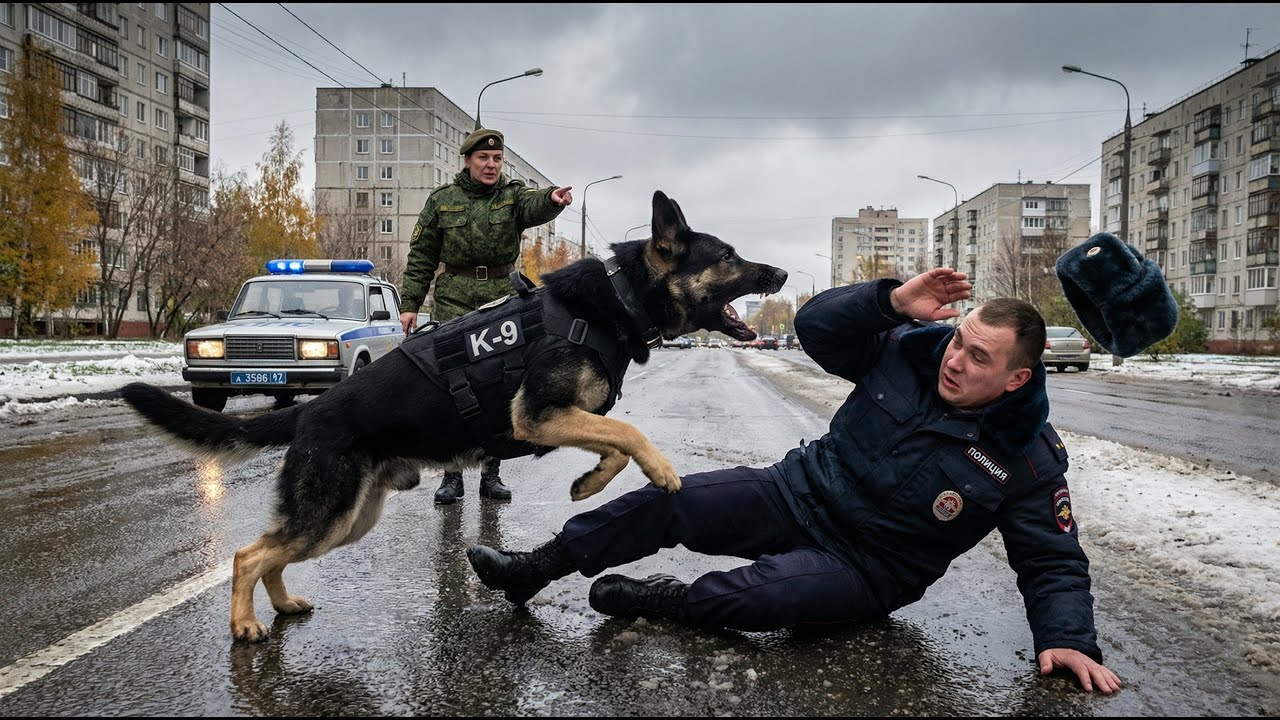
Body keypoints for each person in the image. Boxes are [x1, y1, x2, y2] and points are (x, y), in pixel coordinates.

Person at [466, 267, 1124, 694]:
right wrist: (891, 301)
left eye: (978, 357)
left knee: (756, 600)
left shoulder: (1027, 455)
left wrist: (1067, 637)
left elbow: (1051, 558)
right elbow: (817, 330)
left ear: (1016, 378)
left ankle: (665, 598)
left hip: (866, 566)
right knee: (677, 500)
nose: (955, 360)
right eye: (959, 340)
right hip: (796, 490)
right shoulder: (909, 351)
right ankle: (537, 567)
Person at [399, 127, 573, 505]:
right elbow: (422, 257)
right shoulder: (442, 201)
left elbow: (533, 203)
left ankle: (491, 473)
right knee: (451, 386)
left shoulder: (510, 197)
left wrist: (553, 199)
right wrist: (410, 304)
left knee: (501, 384)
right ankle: (452, 475)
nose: (491, 165)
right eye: (484, 158)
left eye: (497, 159)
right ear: (467, 160)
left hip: (501, 299)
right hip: (454, 300)